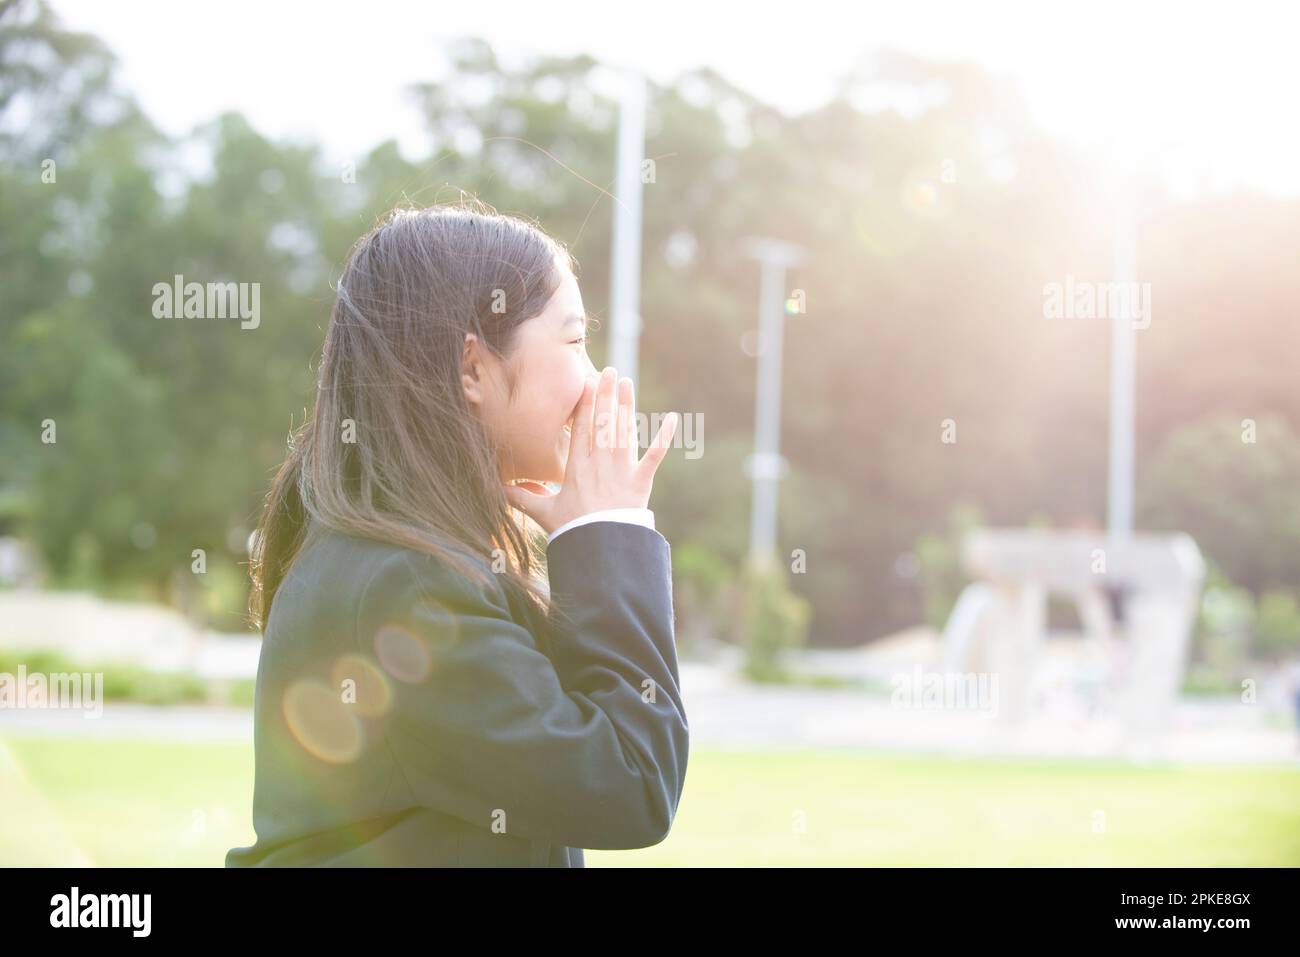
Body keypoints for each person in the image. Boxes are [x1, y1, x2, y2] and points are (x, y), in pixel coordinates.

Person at [225, 201, 687, 866]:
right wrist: (606, 533)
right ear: (472, 368)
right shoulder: (408, 586)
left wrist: (589, 545)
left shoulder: (383, 552)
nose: (594, 382)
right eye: (575, 340)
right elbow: (631, 781)